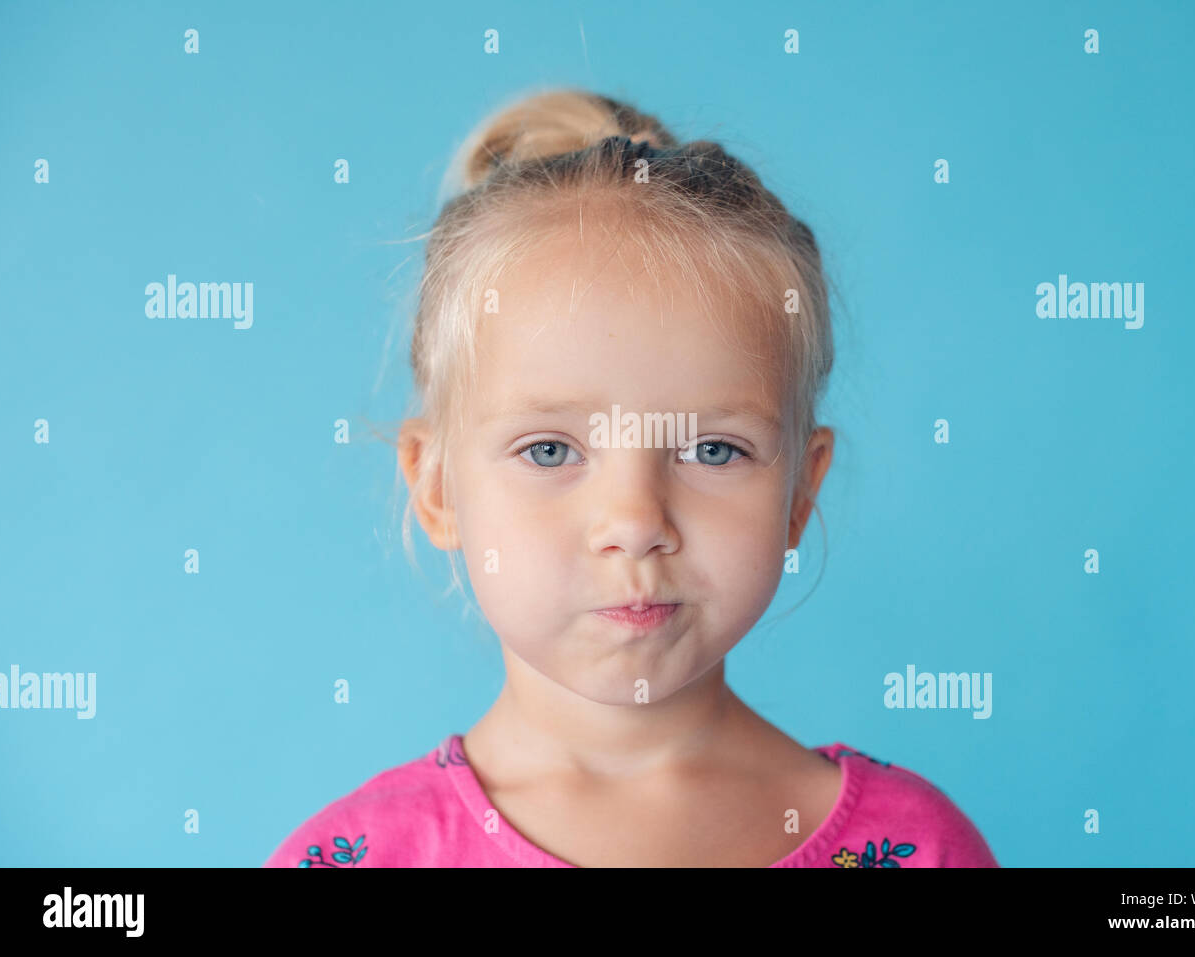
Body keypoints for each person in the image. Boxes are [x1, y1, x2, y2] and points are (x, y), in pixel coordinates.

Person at [264, 88, 998, 868]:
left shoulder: (919, 849)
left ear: (800, 493)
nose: (636, 518)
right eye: (550, 450)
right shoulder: (363, 856)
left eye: (713, 449)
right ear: (439, 487)